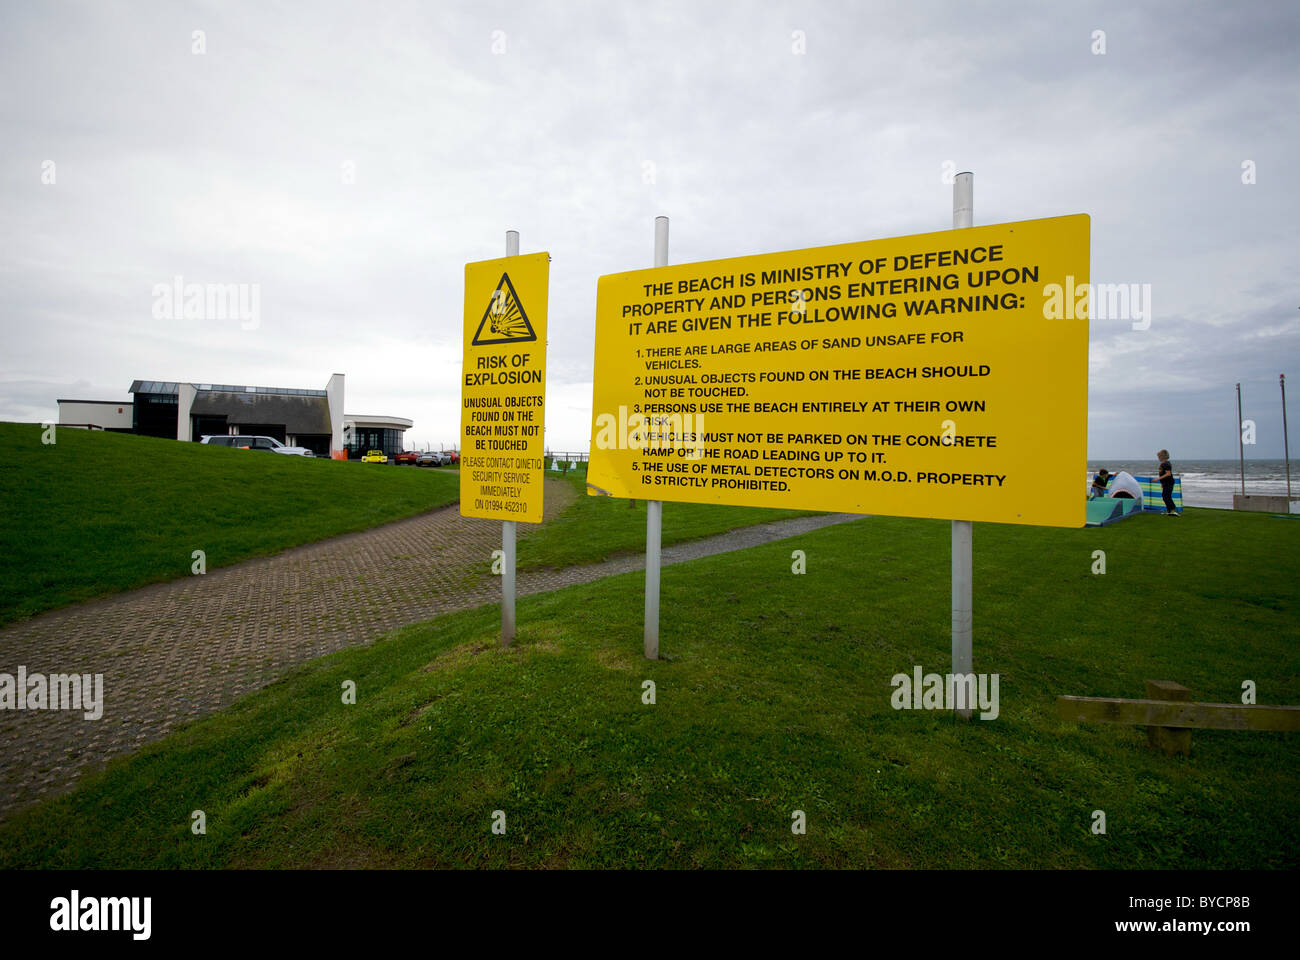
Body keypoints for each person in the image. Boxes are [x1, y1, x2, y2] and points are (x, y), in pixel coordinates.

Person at [1157, 449, 1178, 515]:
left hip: (1169, 483)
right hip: (1165, 483)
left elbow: (1168, 474)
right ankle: (1169, 510)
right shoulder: (1163, 464)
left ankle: (1173, 510)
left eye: (1159, 456)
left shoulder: (1166, 464)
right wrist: (1162, 483)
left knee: (1166, 497)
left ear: (1162, 456)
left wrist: (1158, 479)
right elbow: (1163, 473)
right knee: (1165, 496)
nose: (1158, 458)